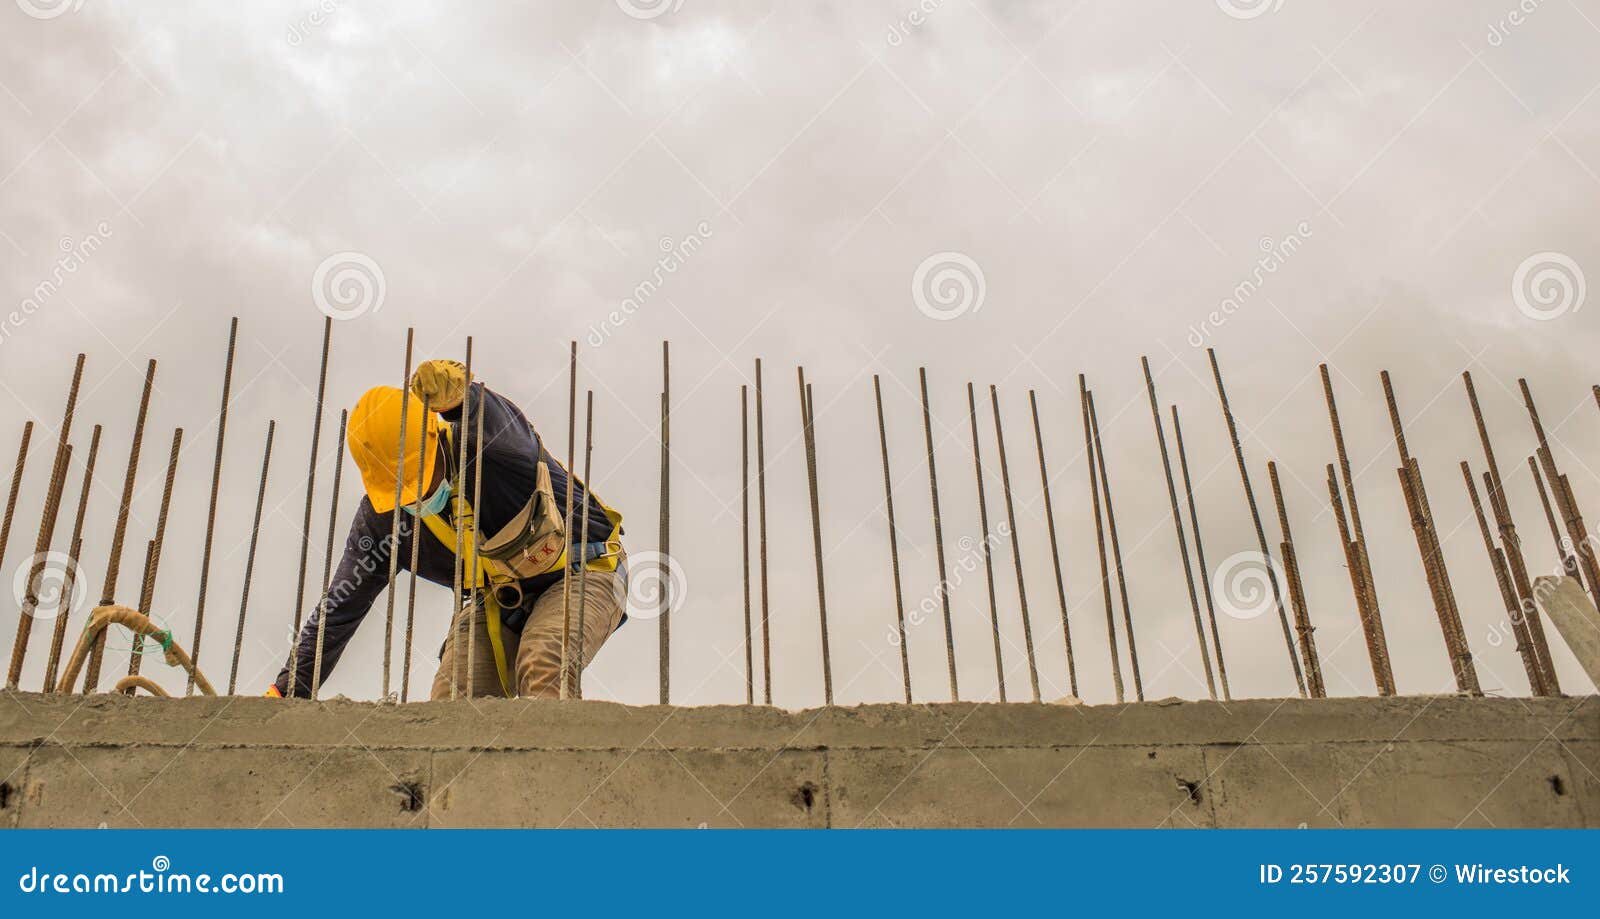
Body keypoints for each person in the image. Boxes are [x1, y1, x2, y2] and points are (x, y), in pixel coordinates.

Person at [268, 359, 626, 699]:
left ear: (434, 438)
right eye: (403, 490)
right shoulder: (386, 522)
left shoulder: (492, 448)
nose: (417, 496)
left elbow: (505, 423)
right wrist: (284, 691)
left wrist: (464, 398)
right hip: (500, 598)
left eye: (418, 480)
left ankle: (556, 763)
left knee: (544, 661)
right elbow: (340, 608)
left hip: (583, 570)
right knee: (454, 699)